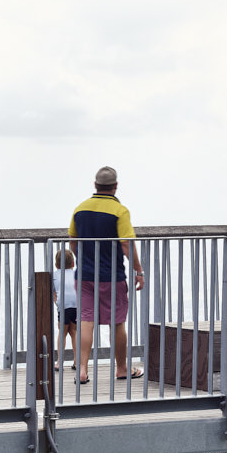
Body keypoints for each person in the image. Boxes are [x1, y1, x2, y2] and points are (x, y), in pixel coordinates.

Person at [68, 165, 144, 384]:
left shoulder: (80, 208)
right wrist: (138, 271)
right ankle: (122, 369)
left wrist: (83, 260)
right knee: (117, 322)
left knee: (85, 320)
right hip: (112, 276)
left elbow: (73, 241)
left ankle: (82, 370)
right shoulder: (120, 211)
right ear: (115, 186)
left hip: (84, 276)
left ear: (95, 185)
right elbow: (126, 245)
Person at [52, 248, 79, 363]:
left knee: (62, 332)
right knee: (74, 331)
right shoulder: (76, 274)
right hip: (77, 305)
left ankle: (59, 361)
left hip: (63, 305)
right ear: (73, 263)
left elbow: (54, 294)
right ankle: (77, 361)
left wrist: (58, 305)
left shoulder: (55, 275)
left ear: (56, 265)